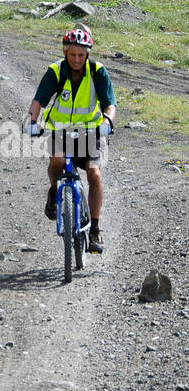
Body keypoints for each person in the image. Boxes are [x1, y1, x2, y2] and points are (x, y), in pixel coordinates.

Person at [27, 26, 116, 254]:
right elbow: (39, 100)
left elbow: (109, 104)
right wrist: (32, 120)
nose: (77, 59)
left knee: (94, 175)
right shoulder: (56, 71)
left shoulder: (97, 71)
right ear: (65, 52)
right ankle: (54, 190)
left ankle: (95, 228)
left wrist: (107, 122)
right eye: (72, 54)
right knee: (57, 161)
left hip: (91, 133)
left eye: (81, 55)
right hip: (61, 132)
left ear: (88, 54)